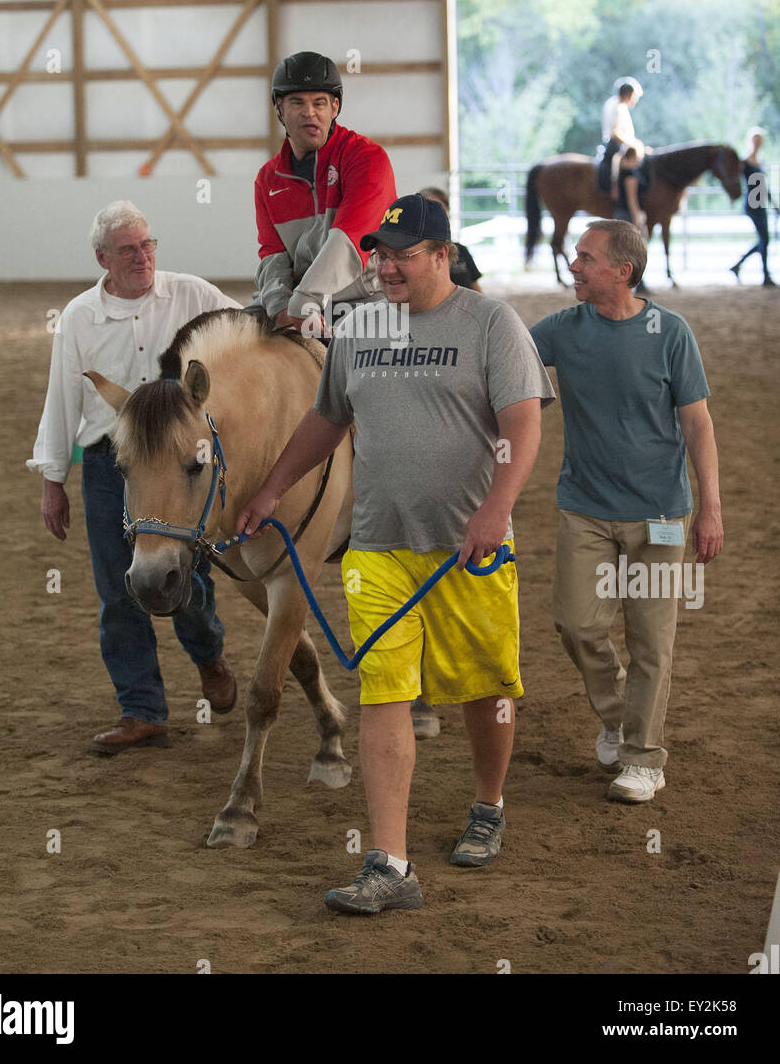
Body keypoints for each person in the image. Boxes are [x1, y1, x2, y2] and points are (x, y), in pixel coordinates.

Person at [237, 193, 554, 914]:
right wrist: (271, 489)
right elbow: (326, 418)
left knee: (484, 687)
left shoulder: (492, 324)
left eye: (402, 255)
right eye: (380, 254)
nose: (384, 268)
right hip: (377, 544)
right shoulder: (359, 328)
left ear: (442, 255)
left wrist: (495, 511)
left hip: (467, 547)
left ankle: (488, 803)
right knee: (384, 690)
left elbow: (523, 426)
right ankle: (389, 863)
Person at [27, 201, 241, 755]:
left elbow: (247, 335)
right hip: (108, 463)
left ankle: (209, 654)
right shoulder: (78, 316)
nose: (142, 257)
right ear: (103, 257)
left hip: (176, 462)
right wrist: (54, 479)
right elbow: (62, 398)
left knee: (183, 576)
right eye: (128, 249)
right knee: (119, 589)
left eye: (148, 245)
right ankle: (141, 709)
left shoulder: (194, 295)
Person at [529, 220, 724, 804]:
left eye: (585, 259)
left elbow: (697, 423)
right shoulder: (562, 329)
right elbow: (501, 356)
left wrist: (709, 507)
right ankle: (617, 715)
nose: (575, 267)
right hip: (584, 509)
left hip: (660, 514)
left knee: (651, 641)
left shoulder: (671, 333)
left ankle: (643, 758)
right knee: (576, 624)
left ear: (623, 270)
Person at [253, 51, 396, 335]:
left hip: (362, 300)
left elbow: (349, 243)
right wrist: (281, 308)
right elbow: (273, 256)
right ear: (278, 108)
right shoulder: (267, 179)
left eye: (319, 103)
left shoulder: (366, 159)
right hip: (297, 302)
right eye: (297, 103)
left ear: (335, 107)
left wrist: (306, 301)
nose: (309, 112)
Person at [730, 127, 777, 287]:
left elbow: (764, 187)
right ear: (751, 141)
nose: (757, 143)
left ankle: (738, 266)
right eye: (755, 140)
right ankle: (765, 275)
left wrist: (774, 204)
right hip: (752, 204)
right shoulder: (744, 162)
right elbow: (733, 178)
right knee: (765, 239)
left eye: (759, 141)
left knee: (764, 239)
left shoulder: (760, 161)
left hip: (761, 204)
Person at [419, 186, 483, 290]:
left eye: (438, 209)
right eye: (428, 210)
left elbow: (477, 291)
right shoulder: (411, 254)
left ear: (447, 212)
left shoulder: (461, 250)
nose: (433, 216)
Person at [597, 77, 644, 194]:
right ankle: (622, 195)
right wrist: (634, 144)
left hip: (616, 144)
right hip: (614, 146)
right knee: (632, 170)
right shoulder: (617, 106)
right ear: (629, 94)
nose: (635, 100)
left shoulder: (617, 105)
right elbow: (615, 132)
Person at [614, 147, 648, 234]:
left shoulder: (621, 172)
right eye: (636, 158)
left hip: (621, 212)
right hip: (628, 215)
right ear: (632, 157)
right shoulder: (630, 176)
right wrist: (636, 218)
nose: (638, 161)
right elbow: (632, 199)